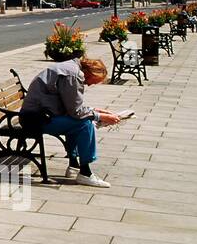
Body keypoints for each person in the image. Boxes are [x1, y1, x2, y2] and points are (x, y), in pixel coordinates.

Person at [20, 55, 123, 188]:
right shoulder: (73, 75)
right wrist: (99, 116)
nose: (90, 84)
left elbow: (71, 106)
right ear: (90, 72)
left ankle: (74, 165)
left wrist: (96, 110)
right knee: (84, 124)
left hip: (37, 116)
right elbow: (76, 111)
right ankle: (85, 173)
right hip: (35, 120)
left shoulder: (71, 68)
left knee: (79, 121)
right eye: (93, 81)